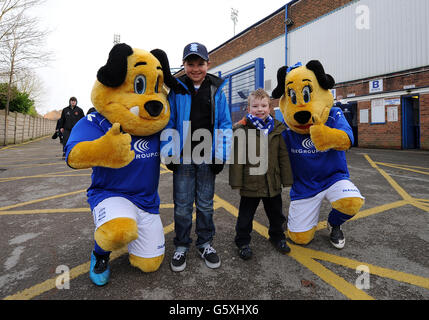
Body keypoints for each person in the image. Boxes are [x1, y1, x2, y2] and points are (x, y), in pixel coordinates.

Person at [160, 42, 232, 272]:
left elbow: (224, 125)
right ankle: (181, 245)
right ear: (183, 65)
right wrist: (169, 152)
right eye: (190, 64)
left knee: (205, 205)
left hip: (207, 157)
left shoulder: (216, 89)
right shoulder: (178, 89)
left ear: (208, 63)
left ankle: (205, 243)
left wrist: (219, 156)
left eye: (200, 63)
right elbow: (169, 122)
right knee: (182, 205)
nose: (195, 69)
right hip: (183, 158)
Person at [229, 88, 293, 260]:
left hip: (272, 182)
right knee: (245, 216)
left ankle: (278, 237)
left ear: (270, 108)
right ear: (248, 109)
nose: (260, 109)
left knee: (276, 214)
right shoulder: (241, 130)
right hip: (251, 183)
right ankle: (242, 242)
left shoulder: (277, 129)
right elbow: (237, 159)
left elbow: (283, 156)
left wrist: (286, 179)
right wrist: (237, 182)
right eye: (255, 106)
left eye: (263, 105)